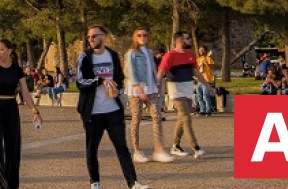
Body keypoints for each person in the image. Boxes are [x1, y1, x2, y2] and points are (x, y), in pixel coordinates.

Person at [76, 25, 147, 189]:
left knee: (122, 147)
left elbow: (120, 79)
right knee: (92, 149)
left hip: (113, 110)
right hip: (93, 112)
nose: (91, 39)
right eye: (89, 37)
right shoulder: (85, 57)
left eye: (94, 36)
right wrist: (100, 81)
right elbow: (80, 82)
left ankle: (133, 182)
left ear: (104, 36)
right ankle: (95, 182)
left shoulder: (113, 55)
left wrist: (117, 90)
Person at [0, 38, 42, 189]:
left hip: (11, 108)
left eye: (1, 49)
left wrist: (34, 110)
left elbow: (26, 93)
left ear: (9, 51)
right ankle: (0, 186)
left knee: (12, 148)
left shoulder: (16, 70)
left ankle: (12, 185)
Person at [157, 30, 214, 159]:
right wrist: (158, 87)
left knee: (182, 119)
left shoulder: (190, 55)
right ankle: (195, 147)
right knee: (186, 117)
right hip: (176, 91)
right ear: (180, 40)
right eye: (187, 38)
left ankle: (175, 146)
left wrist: (208, 86)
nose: (189, 40)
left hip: (188, 90)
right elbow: (161, 72)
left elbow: (196, 72)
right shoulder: (169, 56)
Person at [124, 28, 172, 164]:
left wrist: (157, 83)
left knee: (157, 116)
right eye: (139, 35)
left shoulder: (149, 52)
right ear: (135, 37)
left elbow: (153, 69)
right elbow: (131, 72)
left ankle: (158, 150)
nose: (142, 37)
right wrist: (139, 89)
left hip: (150, 89)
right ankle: (137, 151)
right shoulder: (131, 53)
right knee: (136, 119)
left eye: (145, 35)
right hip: (135, 90)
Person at [195, 47, 216, 115]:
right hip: (199, 80)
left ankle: (208, 110)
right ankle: (202, 110)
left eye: (202, 50)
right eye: (199, 50)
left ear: (205, 50)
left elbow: (212, 67)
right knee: (199, 96)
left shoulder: (208, 58)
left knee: (206, 96)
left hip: (207, 80)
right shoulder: (198, 59)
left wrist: (206, 62)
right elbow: (196, 69)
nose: (200, 51)